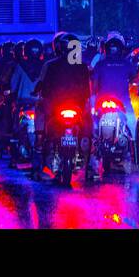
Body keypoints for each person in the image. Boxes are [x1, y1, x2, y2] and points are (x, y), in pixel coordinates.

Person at [33, 32, 92, 178]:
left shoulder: (51, 65)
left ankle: (39, 150)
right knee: (89, 129)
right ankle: (90, 165)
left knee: (42, 125)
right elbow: (88, 91)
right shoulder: (83, 67)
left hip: (57, 107)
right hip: (75, 107)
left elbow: (42, 87)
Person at [90, 31, 135, 132]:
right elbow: (135, 79)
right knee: (133, 126)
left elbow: (94, 86)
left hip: (102, 102)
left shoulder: (100, 64)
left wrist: (93, 101)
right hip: (123, 102)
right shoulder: (127, 64)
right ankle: (135, 146)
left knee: (94, 127)